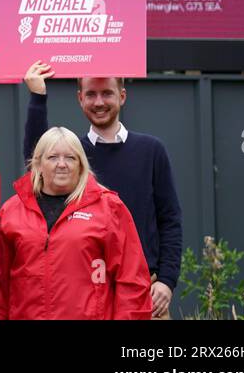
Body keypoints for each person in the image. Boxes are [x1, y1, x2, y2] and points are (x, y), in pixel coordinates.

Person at [22, 62, 183, 319]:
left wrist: (166, 280)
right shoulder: (74, 155)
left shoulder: (151, 150)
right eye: (91, 94)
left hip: (144, 290)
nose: (99, 102)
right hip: (85, 296)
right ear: (80, 98)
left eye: (106, 93)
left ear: (122, 95)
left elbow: (170, 220)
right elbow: (36, 163)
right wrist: (37, 97)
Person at [0, 126, 151, 320]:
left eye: (70, 158)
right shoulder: (10, 212)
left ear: (81, 165)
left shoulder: (109, 208)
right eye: (53, 157)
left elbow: (132, 280)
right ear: (37, 164)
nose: (61, 164)